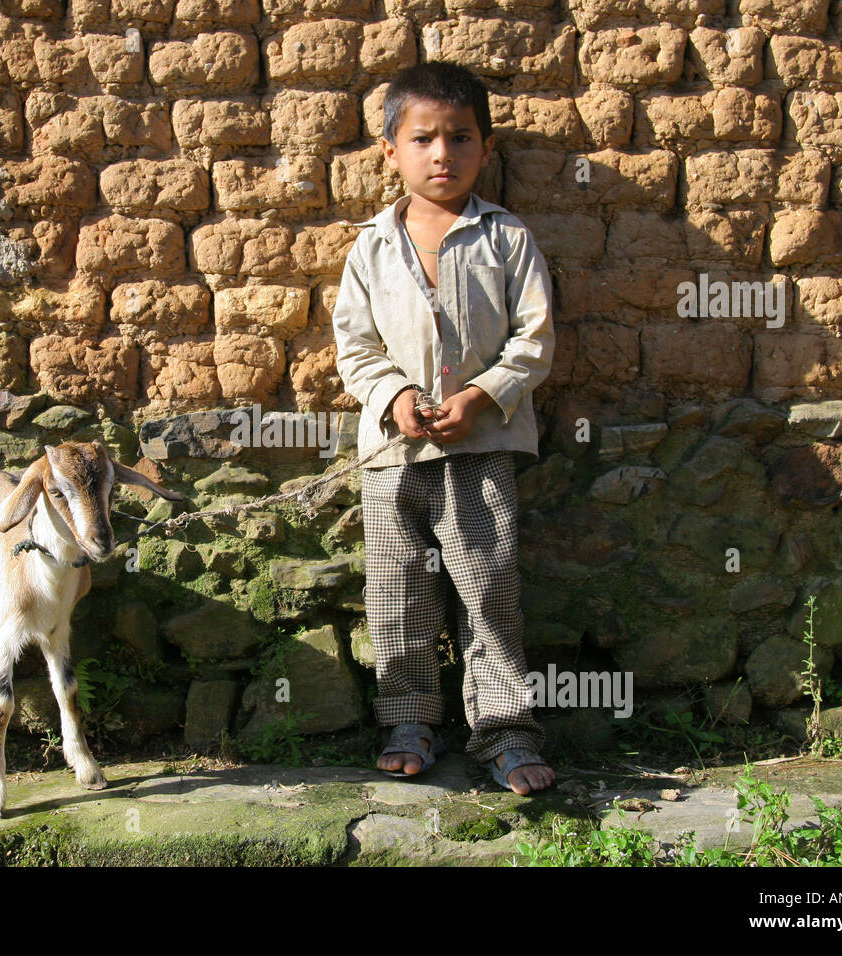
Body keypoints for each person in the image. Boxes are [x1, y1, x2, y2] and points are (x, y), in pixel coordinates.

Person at [331, 60, 557, 794]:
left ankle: (504, 728)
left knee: (487, 585)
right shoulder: (370, 247)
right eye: (422, 138)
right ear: (389, 151)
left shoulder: (505, 239)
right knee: (398, 589)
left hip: (482, 447)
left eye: (460, 138)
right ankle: (408, 717)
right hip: (393, 454)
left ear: (486, 149)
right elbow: (355, 346)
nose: (442, 154)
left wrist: (485, 396)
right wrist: (393, 395)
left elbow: (534, 339)